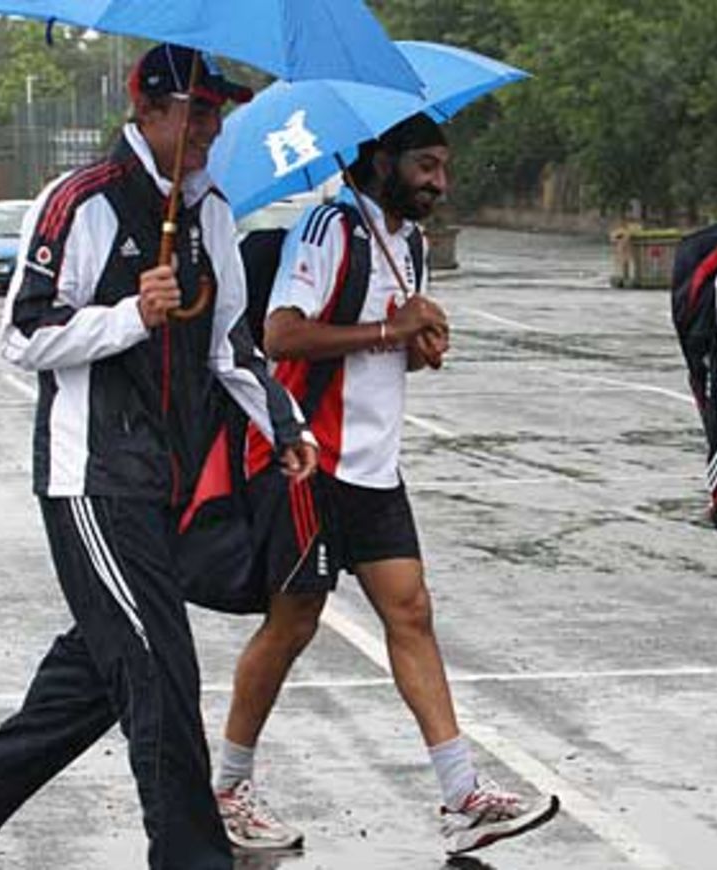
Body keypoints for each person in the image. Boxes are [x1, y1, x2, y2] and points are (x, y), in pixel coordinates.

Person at [0, 43, 318, 869]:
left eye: (217, 113)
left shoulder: (208, 213)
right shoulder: (82, 203)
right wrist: (132, 312)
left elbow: (231, 345)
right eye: (197, 112)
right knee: (160, 668)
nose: (211, 128)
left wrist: (286, 426)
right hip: (91, 480)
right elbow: (23, 333)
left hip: (170, 481)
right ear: (150, 111)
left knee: (106, 662)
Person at [211, 113, 559, 857]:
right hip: (309, 459)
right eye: (427, 166)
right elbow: (281, 336)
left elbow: (388, 345)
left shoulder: (408, 244)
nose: (440, 181)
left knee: (413, 613)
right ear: (382, 161)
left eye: (443, 167)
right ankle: (227, 789)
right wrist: (389, 333)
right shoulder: (328, 229)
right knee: (293, 622)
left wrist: (416, 346)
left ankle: (463, 796)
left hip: (373, 466)